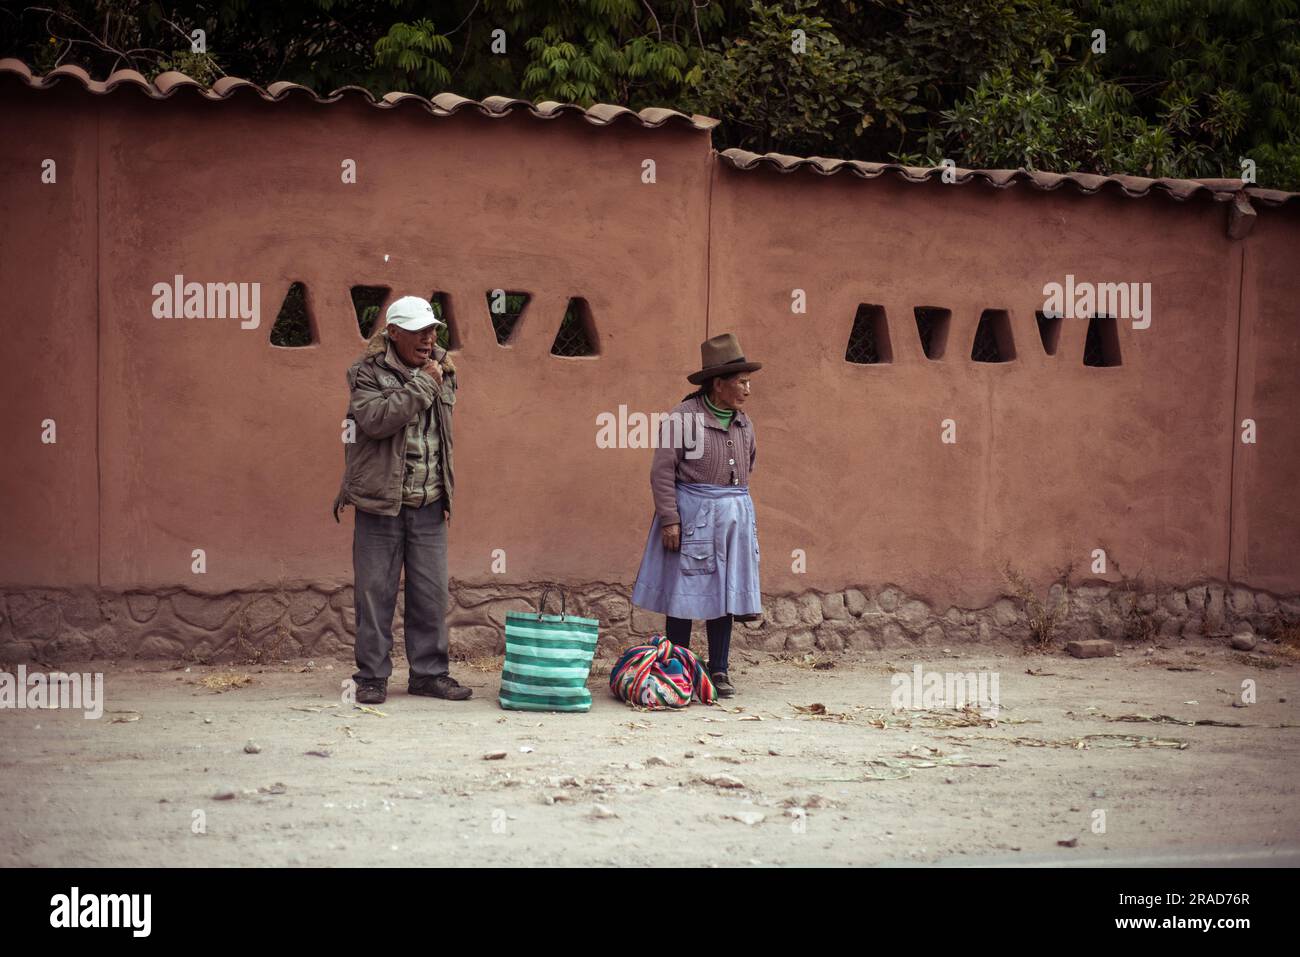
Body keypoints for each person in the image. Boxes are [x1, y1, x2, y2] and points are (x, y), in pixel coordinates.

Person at [332, 295, 472, 704]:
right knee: (374, 594)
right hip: (379, 502)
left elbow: (441, 436)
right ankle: (371, 677)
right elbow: (375, 421)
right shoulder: (365, 373)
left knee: (431, 594)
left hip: (428, 500)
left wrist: (445, 491)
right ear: (393, 334)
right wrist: (424, 383)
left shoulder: (444, 368)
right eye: (419, 332)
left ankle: (429, 674)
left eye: (432, 330)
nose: (429, 339)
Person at [631, 332, 763, 698]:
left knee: (725, 595)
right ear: (718, 384)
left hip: (733, 517)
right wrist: (670, 519)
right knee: (684, 593)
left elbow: (749, 463)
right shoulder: (684, 417)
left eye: (748, 381)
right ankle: (680, 669)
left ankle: (719, 671)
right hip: (693, 518)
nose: (748, 389)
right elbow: (661, 471)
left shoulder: (743, 422)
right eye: (742, 382)